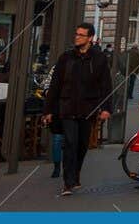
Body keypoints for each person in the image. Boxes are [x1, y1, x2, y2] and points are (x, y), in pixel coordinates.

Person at [42, 22, 112, 196]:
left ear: (90, 38)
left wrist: (106, 108)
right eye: (76, 34)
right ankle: (68, 181)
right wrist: (48, 110)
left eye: (81, 35)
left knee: (82, 145)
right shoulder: (66, 58)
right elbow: (55, 85)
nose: (77, 37)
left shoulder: (99, 58)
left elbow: (105, 85)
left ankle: (76, 173)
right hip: (67, 107)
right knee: (70, 143)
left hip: (87, 108)